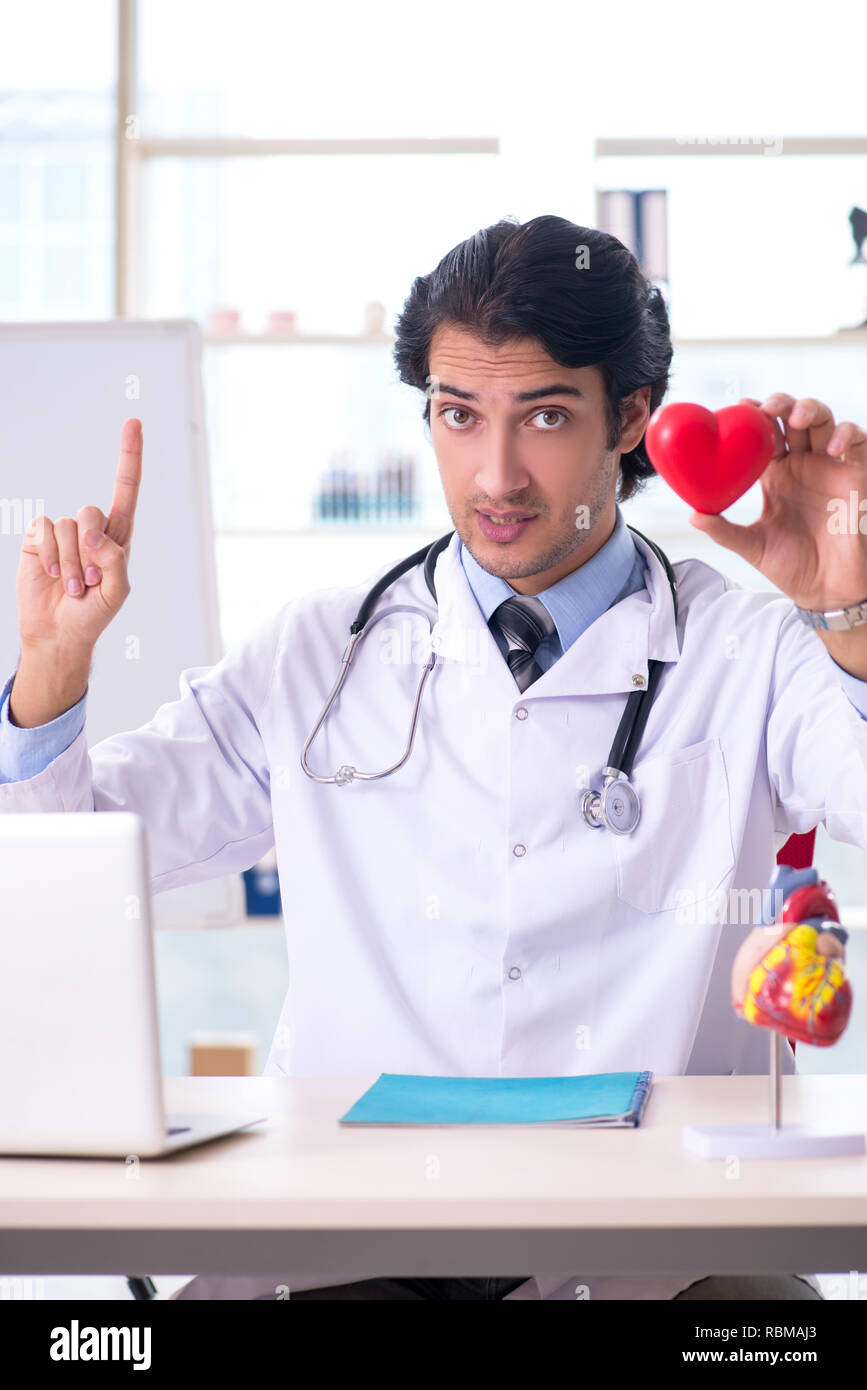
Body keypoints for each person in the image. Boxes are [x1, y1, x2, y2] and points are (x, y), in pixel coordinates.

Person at [4, 215, 866, 1300]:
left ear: (632, 420)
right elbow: (69, 866)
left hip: (654, 1249)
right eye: (459, 415)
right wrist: (52, 670)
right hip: (347, 1235)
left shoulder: (752, 649)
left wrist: (850, 611)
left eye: (545, 416)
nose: (494, 474)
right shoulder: (316, 652)